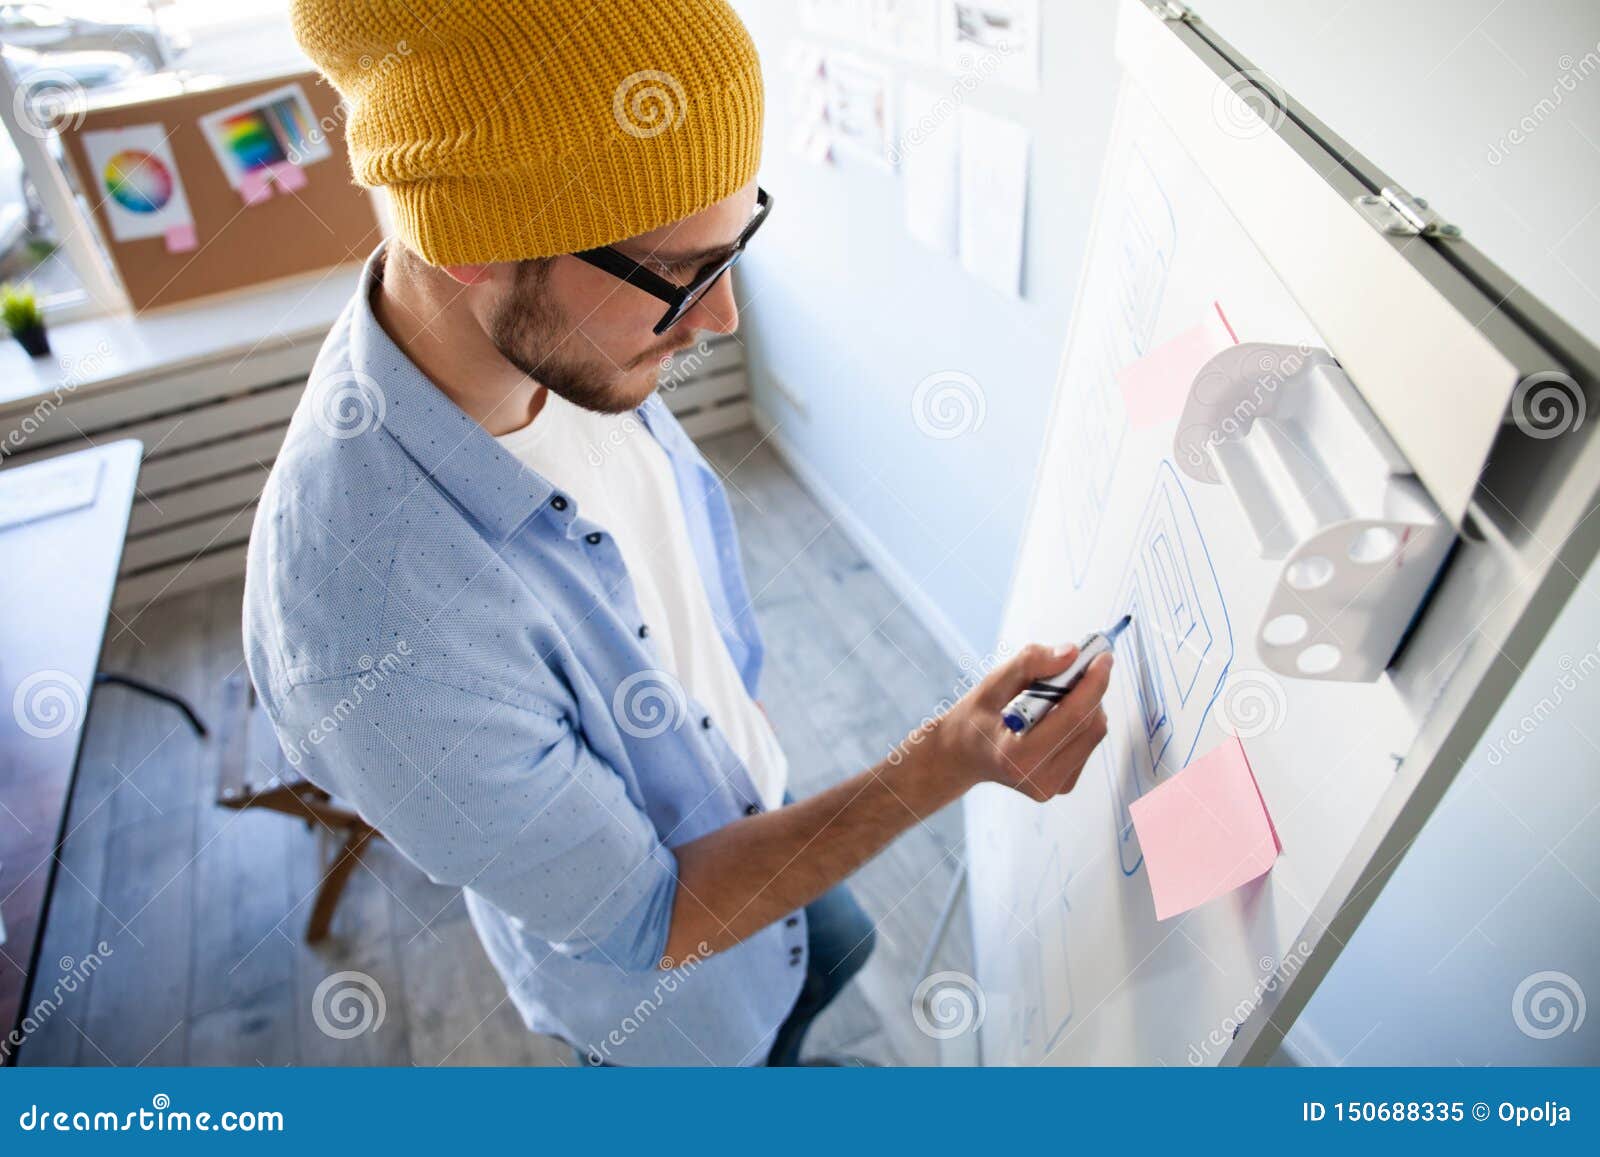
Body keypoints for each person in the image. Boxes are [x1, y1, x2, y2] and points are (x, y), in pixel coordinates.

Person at [245, 0, 1111, 1066]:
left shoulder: (573, 340)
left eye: (733, 243)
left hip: (751, 796)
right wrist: (944, 761)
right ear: (469, 243)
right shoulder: (364, 618)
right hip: (675, 1009)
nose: (721, 317)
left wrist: (739, 719)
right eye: (681, 270)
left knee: (823, 960)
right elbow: (657, 918)